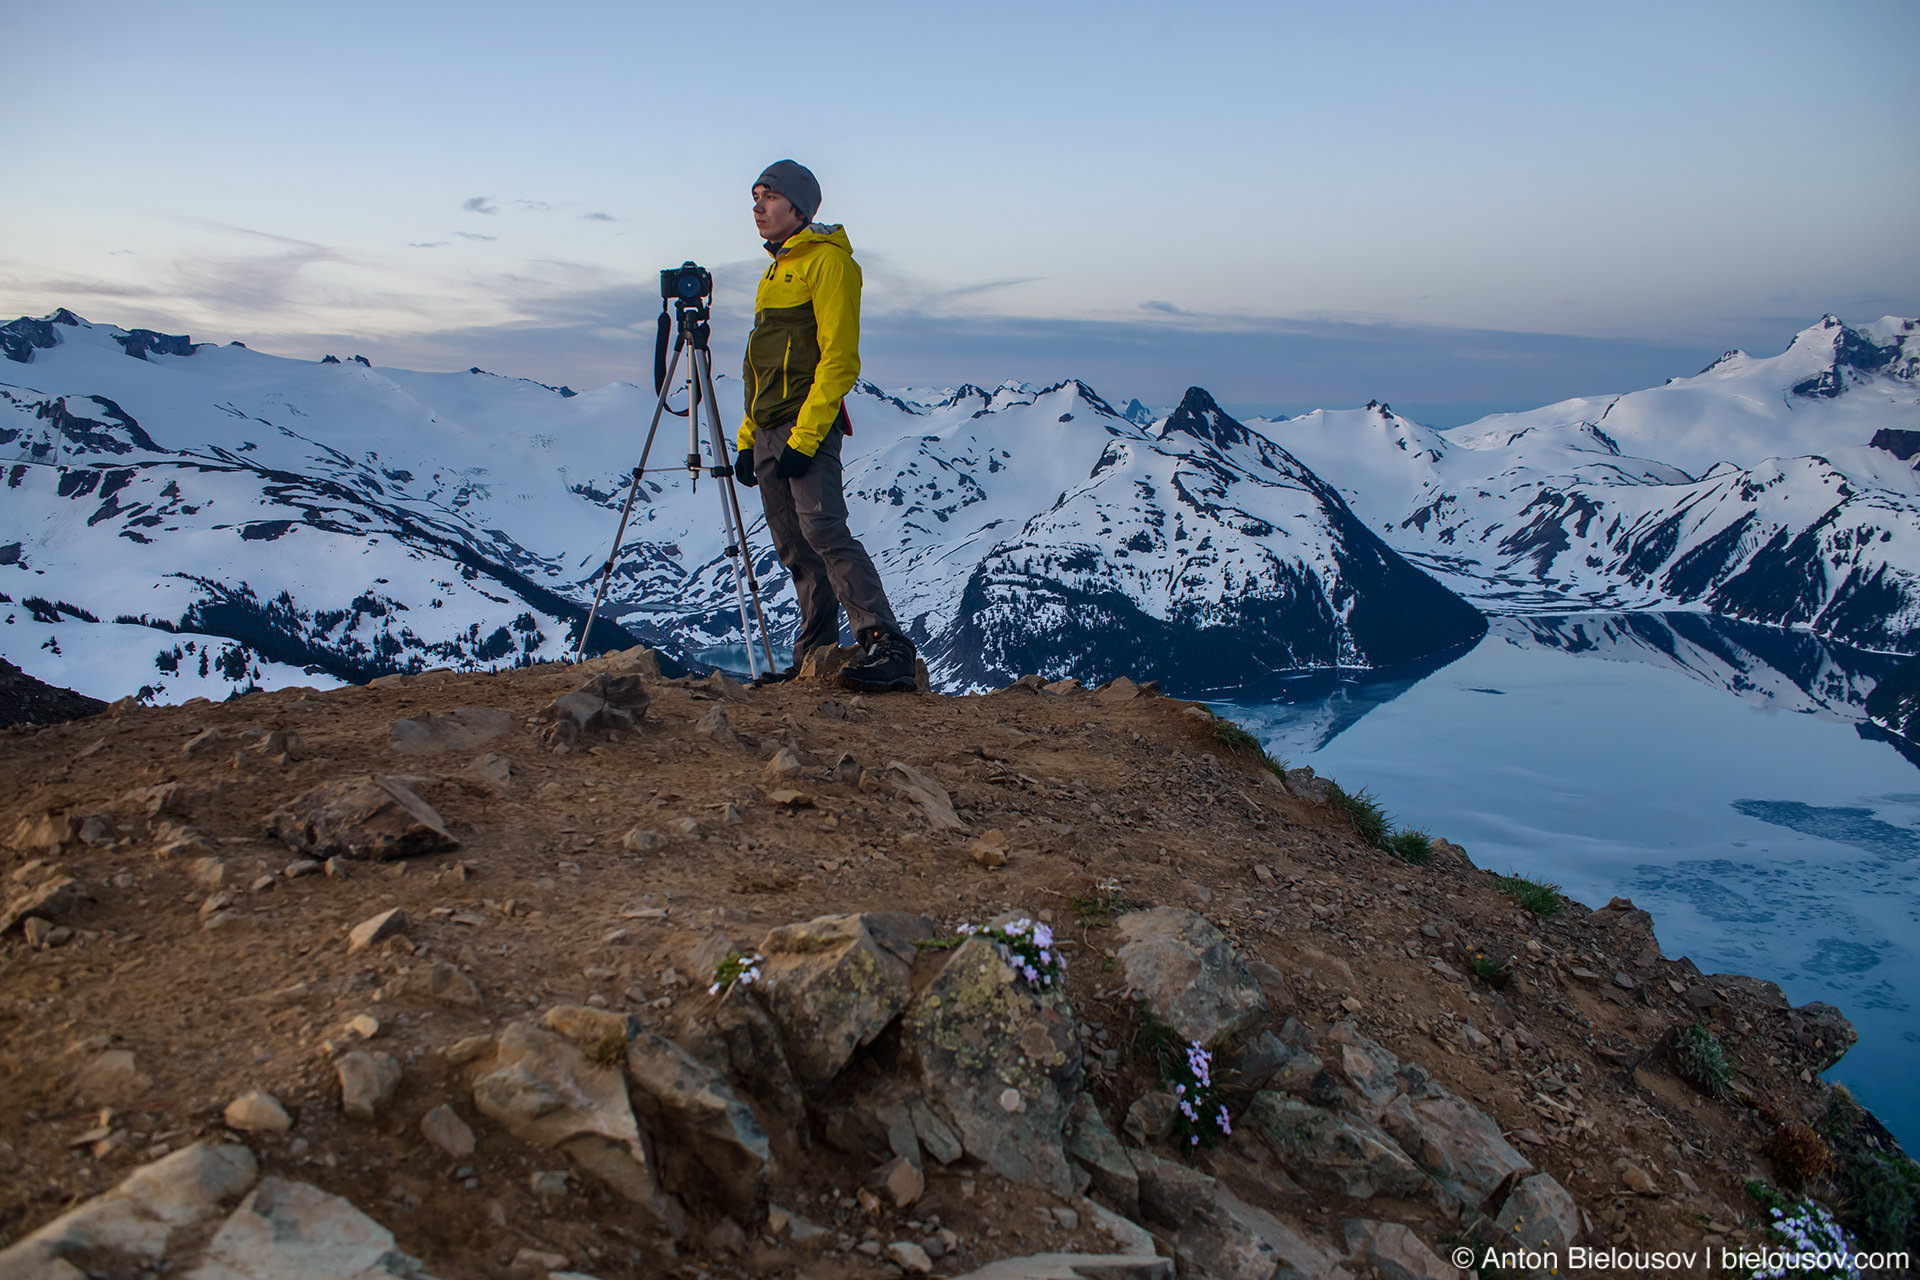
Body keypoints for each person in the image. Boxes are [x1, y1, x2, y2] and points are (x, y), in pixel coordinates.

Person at [732, 159, 919, 693]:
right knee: (795, 549)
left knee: (825, 532)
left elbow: (840, 359)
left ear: (798, 206)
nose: (758, 206)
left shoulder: (830, 264)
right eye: (755, 196)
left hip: (803, 423)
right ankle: (813, 659)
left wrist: (806, 435)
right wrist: (749, 440)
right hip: (769, 427)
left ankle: (887, 644)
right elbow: (760, 367)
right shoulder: (775, 270)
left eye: (768, 196)